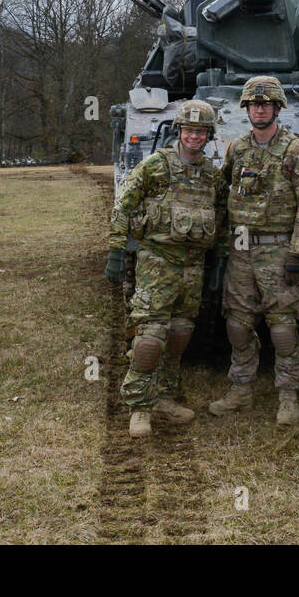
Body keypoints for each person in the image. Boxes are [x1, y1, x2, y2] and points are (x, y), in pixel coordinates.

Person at [106, 99, 227, 438]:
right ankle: (140, 407)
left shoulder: (212, 176)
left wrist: (219, 259)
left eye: (200, 131)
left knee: (179, 334)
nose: (194, 136)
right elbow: (124, 204)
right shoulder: (155, 166)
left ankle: (165, 398)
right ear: (179, 132)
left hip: (193, 266)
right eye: (189, 130)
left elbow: (222, 220)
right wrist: (116, 251)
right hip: (157, 260)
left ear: (208, 135)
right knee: (150, 338)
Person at [208, 75, 299, 426]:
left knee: (282, 327)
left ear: (277, 108)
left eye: (266, 104)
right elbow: (222, 194)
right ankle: (241, 388)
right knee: (238, 324)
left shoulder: (296, 151)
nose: (260, 109)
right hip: (242, 251)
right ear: (247, 108)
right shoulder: (238, 148)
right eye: (254, 104)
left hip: (279, 250)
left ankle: (287, 395)